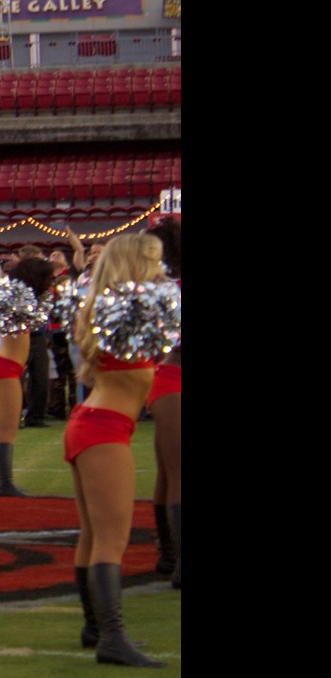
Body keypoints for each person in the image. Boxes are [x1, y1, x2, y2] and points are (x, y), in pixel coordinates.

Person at [64, 234, 168, 666]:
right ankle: (112, 637)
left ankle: (96, 628)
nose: (160, 272)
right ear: (135, 266)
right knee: (112, 537)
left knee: (94, 533)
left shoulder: (112, 309)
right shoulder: (125, 310)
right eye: (154, 263)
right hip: (104, 429)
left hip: (94, 424)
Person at [0, 257, 55, 496]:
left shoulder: (15, 297)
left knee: (0, 427)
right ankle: (4, 482)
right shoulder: (18, 299)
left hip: (4, 366)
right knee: (8, 427)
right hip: (7, 368)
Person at [145, 218, 180, 587]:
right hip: (173, 379)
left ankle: (168, 554)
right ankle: (175, 558)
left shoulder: (158, 288)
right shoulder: (167, 289)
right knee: (176, 472)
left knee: (167, 470)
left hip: (164, 379)